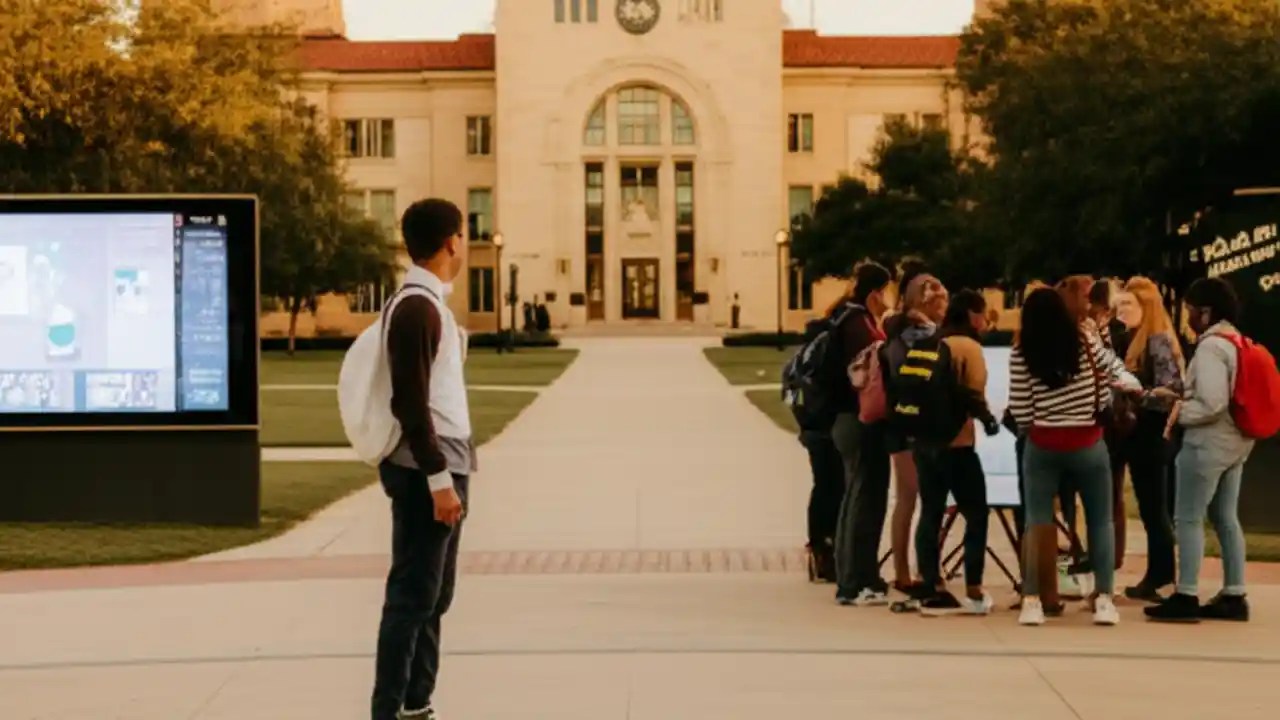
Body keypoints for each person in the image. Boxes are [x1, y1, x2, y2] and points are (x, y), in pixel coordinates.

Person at [372, 199, 473, 720]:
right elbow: (410, 404)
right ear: (452, 241)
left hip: (442, 465)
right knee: (412, 598)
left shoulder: (430, 304)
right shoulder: (417, 307)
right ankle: (389, 710)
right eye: (463, 235)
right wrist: (439, 480)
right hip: (425, 472)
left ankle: (417, 704)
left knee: (434, 597)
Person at [1009, 288, 1140, 627]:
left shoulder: (1022, 351)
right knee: (1100, 520)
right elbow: (1111, 373)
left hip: (1043, 442)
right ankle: (1104, 599)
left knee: (1037, 521)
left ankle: (1032, 600)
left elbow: (1021, 408)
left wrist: (1039, 422)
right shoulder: (1084, 341)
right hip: (1087, 442)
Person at [1147, 278, 1254, 623]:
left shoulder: (1210, 348)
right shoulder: (1236, 341)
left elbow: (1211, 402)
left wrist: (1177, 412)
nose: (1188, 318)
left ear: (1205, 312)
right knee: (1226, 518)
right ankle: (1235, 594)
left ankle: (1186, 594)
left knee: (1188, 517)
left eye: (1190, 311)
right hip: (1236, 441)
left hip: (1207, 443)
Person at [909, 288, 1001, 615]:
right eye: (983, 313)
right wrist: (989, 420)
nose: (986, 320)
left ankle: (929, 581)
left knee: (930, 512)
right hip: (957, 444)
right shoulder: (968, 347)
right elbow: (974, 393)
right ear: (973, 315)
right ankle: (974, 585)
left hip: (923, 443)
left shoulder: (931, 341)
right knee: (976, 513)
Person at [1113, 278, 1184, 602]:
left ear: (1147, 306)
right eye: (1119, 304)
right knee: (1149, 507)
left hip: (1154, 434)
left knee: (1156, 508)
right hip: (1139, 434)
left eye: (1128, 304)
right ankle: (1156, 574)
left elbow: (1173, 391)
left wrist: (1138, 395)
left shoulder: (1158, 341)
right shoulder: (1132, 341)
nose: (1121, 311)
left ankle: (1163, 576)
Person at [831, 261, 894, 606]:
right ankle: (856, 581)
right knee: (864, 500)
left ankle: (854, 576)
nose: (888, 300)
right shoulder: (859, 325)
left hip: (846, 420)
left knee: (855, 497)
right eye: (885, 292)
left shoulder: (845, 317)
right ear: (874, 294)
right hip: (860, 420)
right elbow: (868, 375)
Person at [881, 262, 929, 595]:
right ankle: (902, 570)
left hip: (922, 423)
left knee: (921, 498)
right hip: (905, 422)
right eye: (928, 289)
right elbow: (904, 374)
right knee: (908, 496)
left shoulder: (925, 329)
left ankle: (923, 567)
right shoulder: (905, 331)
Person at [799, 315, 845, 583]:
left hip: (812, 430)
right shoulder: (824, 359)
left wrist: (804, 421)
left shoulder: (798, 362)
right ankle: (828, 548)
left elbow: (790, 396)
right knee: (836, 487)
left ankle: (818, 544)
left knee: (823, 486)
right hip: (827, 430)